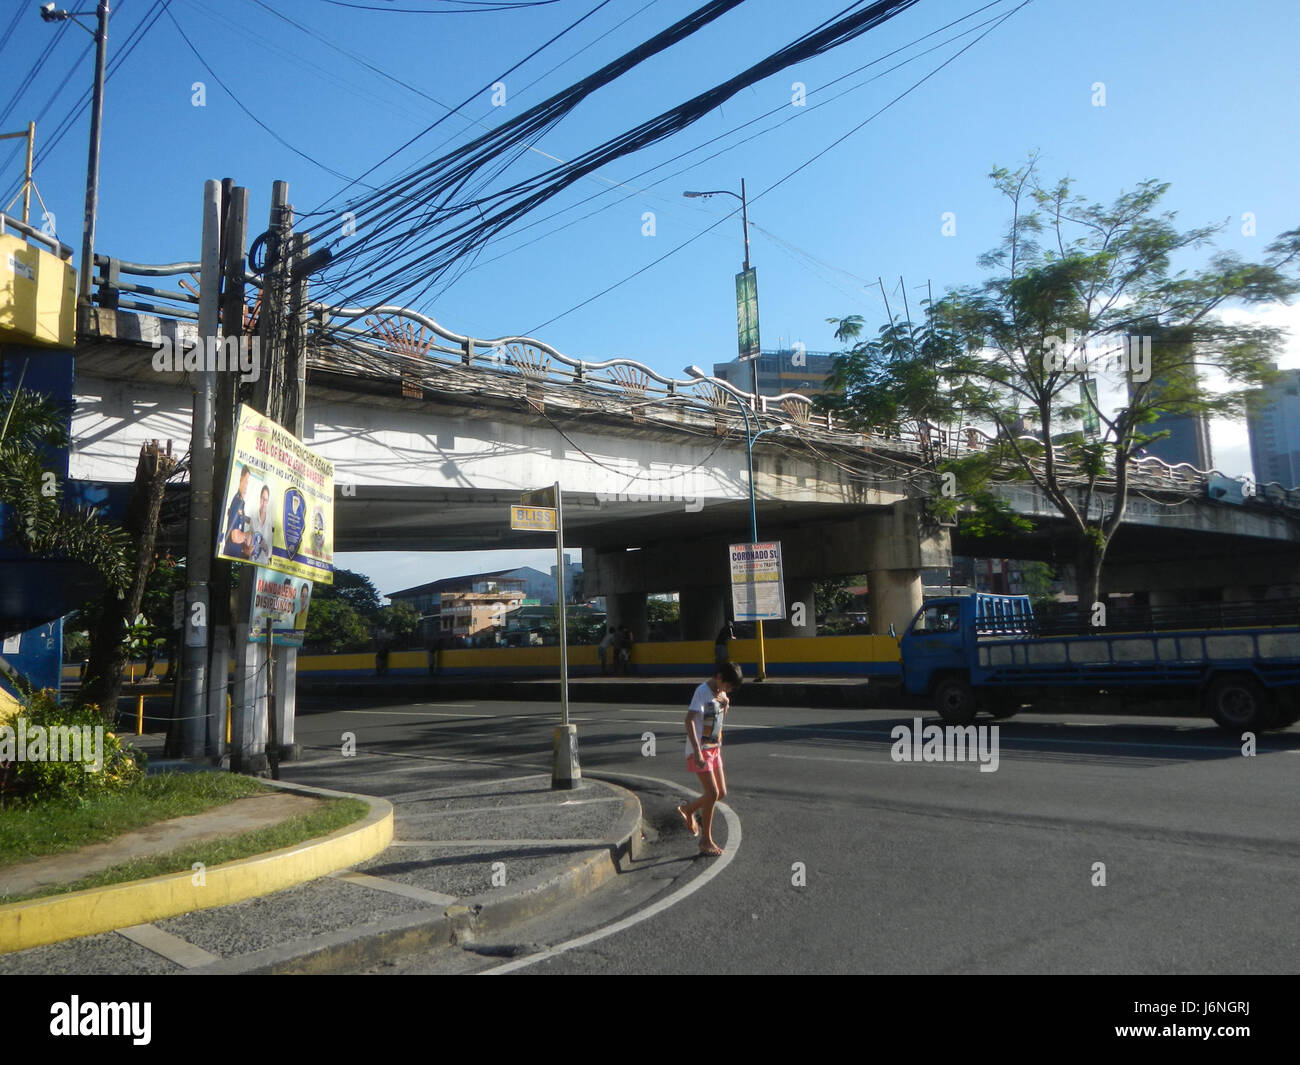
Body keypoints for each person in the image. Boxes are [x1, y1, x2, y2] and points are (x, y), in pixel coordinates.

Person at [677, 660, 742, 857]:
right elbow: (689, 720)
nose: (728, 690)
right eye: (728, 685)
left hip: (714, 748)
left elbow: (717, 720)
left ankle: (688, 809)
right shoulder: (702, 691)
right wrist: (696, 751)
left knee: (720, 792)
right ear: (719, 677)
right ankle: (706, 841)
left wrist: (726, 704)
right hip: (701, 749)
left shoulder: (720, 694)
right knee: (712, 792)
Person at [222, 465, 252, 557]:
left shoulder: (241, 503)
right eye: (245, 481)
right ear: (240, 480)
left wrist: (245, 549)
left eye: (248, 482)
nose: (247, 485)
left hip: (236, 556)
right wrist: (247, 535)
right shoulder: (237, 502)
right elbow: (234, 537)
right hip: (230, 556)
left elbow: (238, 535)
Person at [247, 485, 274, 563]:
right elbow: (250, 543)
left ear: (268, 502)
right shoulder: (254, 516)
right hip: (253, 561)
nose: (263, 502)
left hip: (264, 564)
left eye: (266, 500)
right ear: (260, 498)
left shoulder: (269, 521)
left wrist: (264, 546)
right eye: (262, 498)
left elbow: (269, 553)